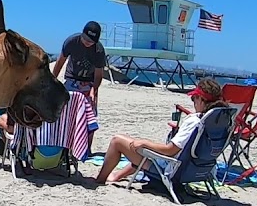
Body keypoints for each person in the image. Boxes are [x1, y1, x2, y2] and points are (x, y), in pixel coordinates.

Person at [91, 78, 224, 185]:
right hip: (197, 169)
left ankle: (100, 180)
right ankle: (117, 175)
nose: (193, 102)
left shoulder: (195, 121)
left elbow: (170, 151)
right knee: (142, 146)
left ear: (202, 100)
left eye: (194, 98)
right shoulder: (217, 121)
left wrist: (145, 143)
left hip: (173, 170)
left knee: (118, 141)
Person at [52, 21, 107, 109]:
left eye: (91, 41)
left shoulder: (99, 50)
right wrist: (53, 79)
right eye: (85, 38)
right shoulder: (71, 41)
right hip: (71, 78)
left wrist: (94, 89)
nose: (87, 42)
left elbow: (98, 75)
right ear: (82, 33)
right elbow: (60, 62)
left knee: (87, 112)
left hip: (89, 82)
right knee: (67, 109)